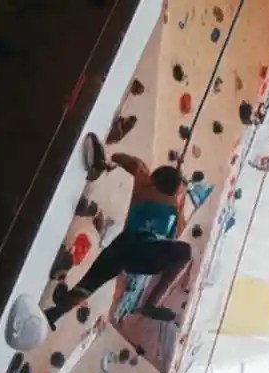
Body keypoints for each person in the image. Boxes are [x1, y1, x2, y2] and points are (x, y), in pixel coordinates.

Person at [45, 133, 191, 330]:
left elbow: (118, 158)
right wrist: (180, 204)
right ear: (174, 191)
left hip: (122, 247)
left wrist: (137, 167)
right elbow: (177, 234)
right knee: (185, 252)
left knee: (89, 284)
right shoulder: (173, 207)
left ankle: (54, 313)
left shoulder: (142, 182)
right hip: (143, 256)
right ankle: (151, 304)